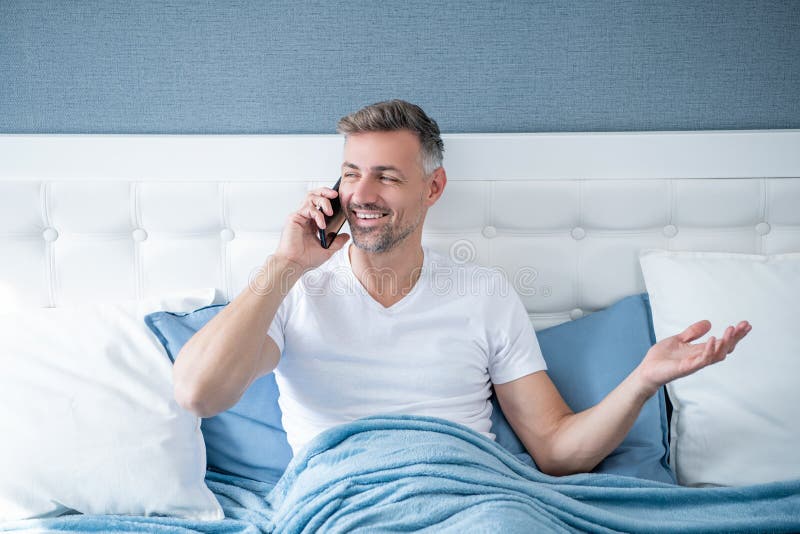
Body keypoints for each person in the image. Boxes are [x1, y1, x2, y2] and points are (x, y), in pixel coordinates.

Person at [173, 100, 751, 476]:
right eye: (351, 173)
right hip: (342, 497)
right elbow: (199, 393)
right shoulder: (291, 289)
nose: (363, 194)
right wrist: (284, 263)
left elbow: (553, 447)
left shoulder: (483, 294)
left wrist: (642, 382)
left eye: (387, 176)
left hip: (467, 496)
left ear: (433, 187)